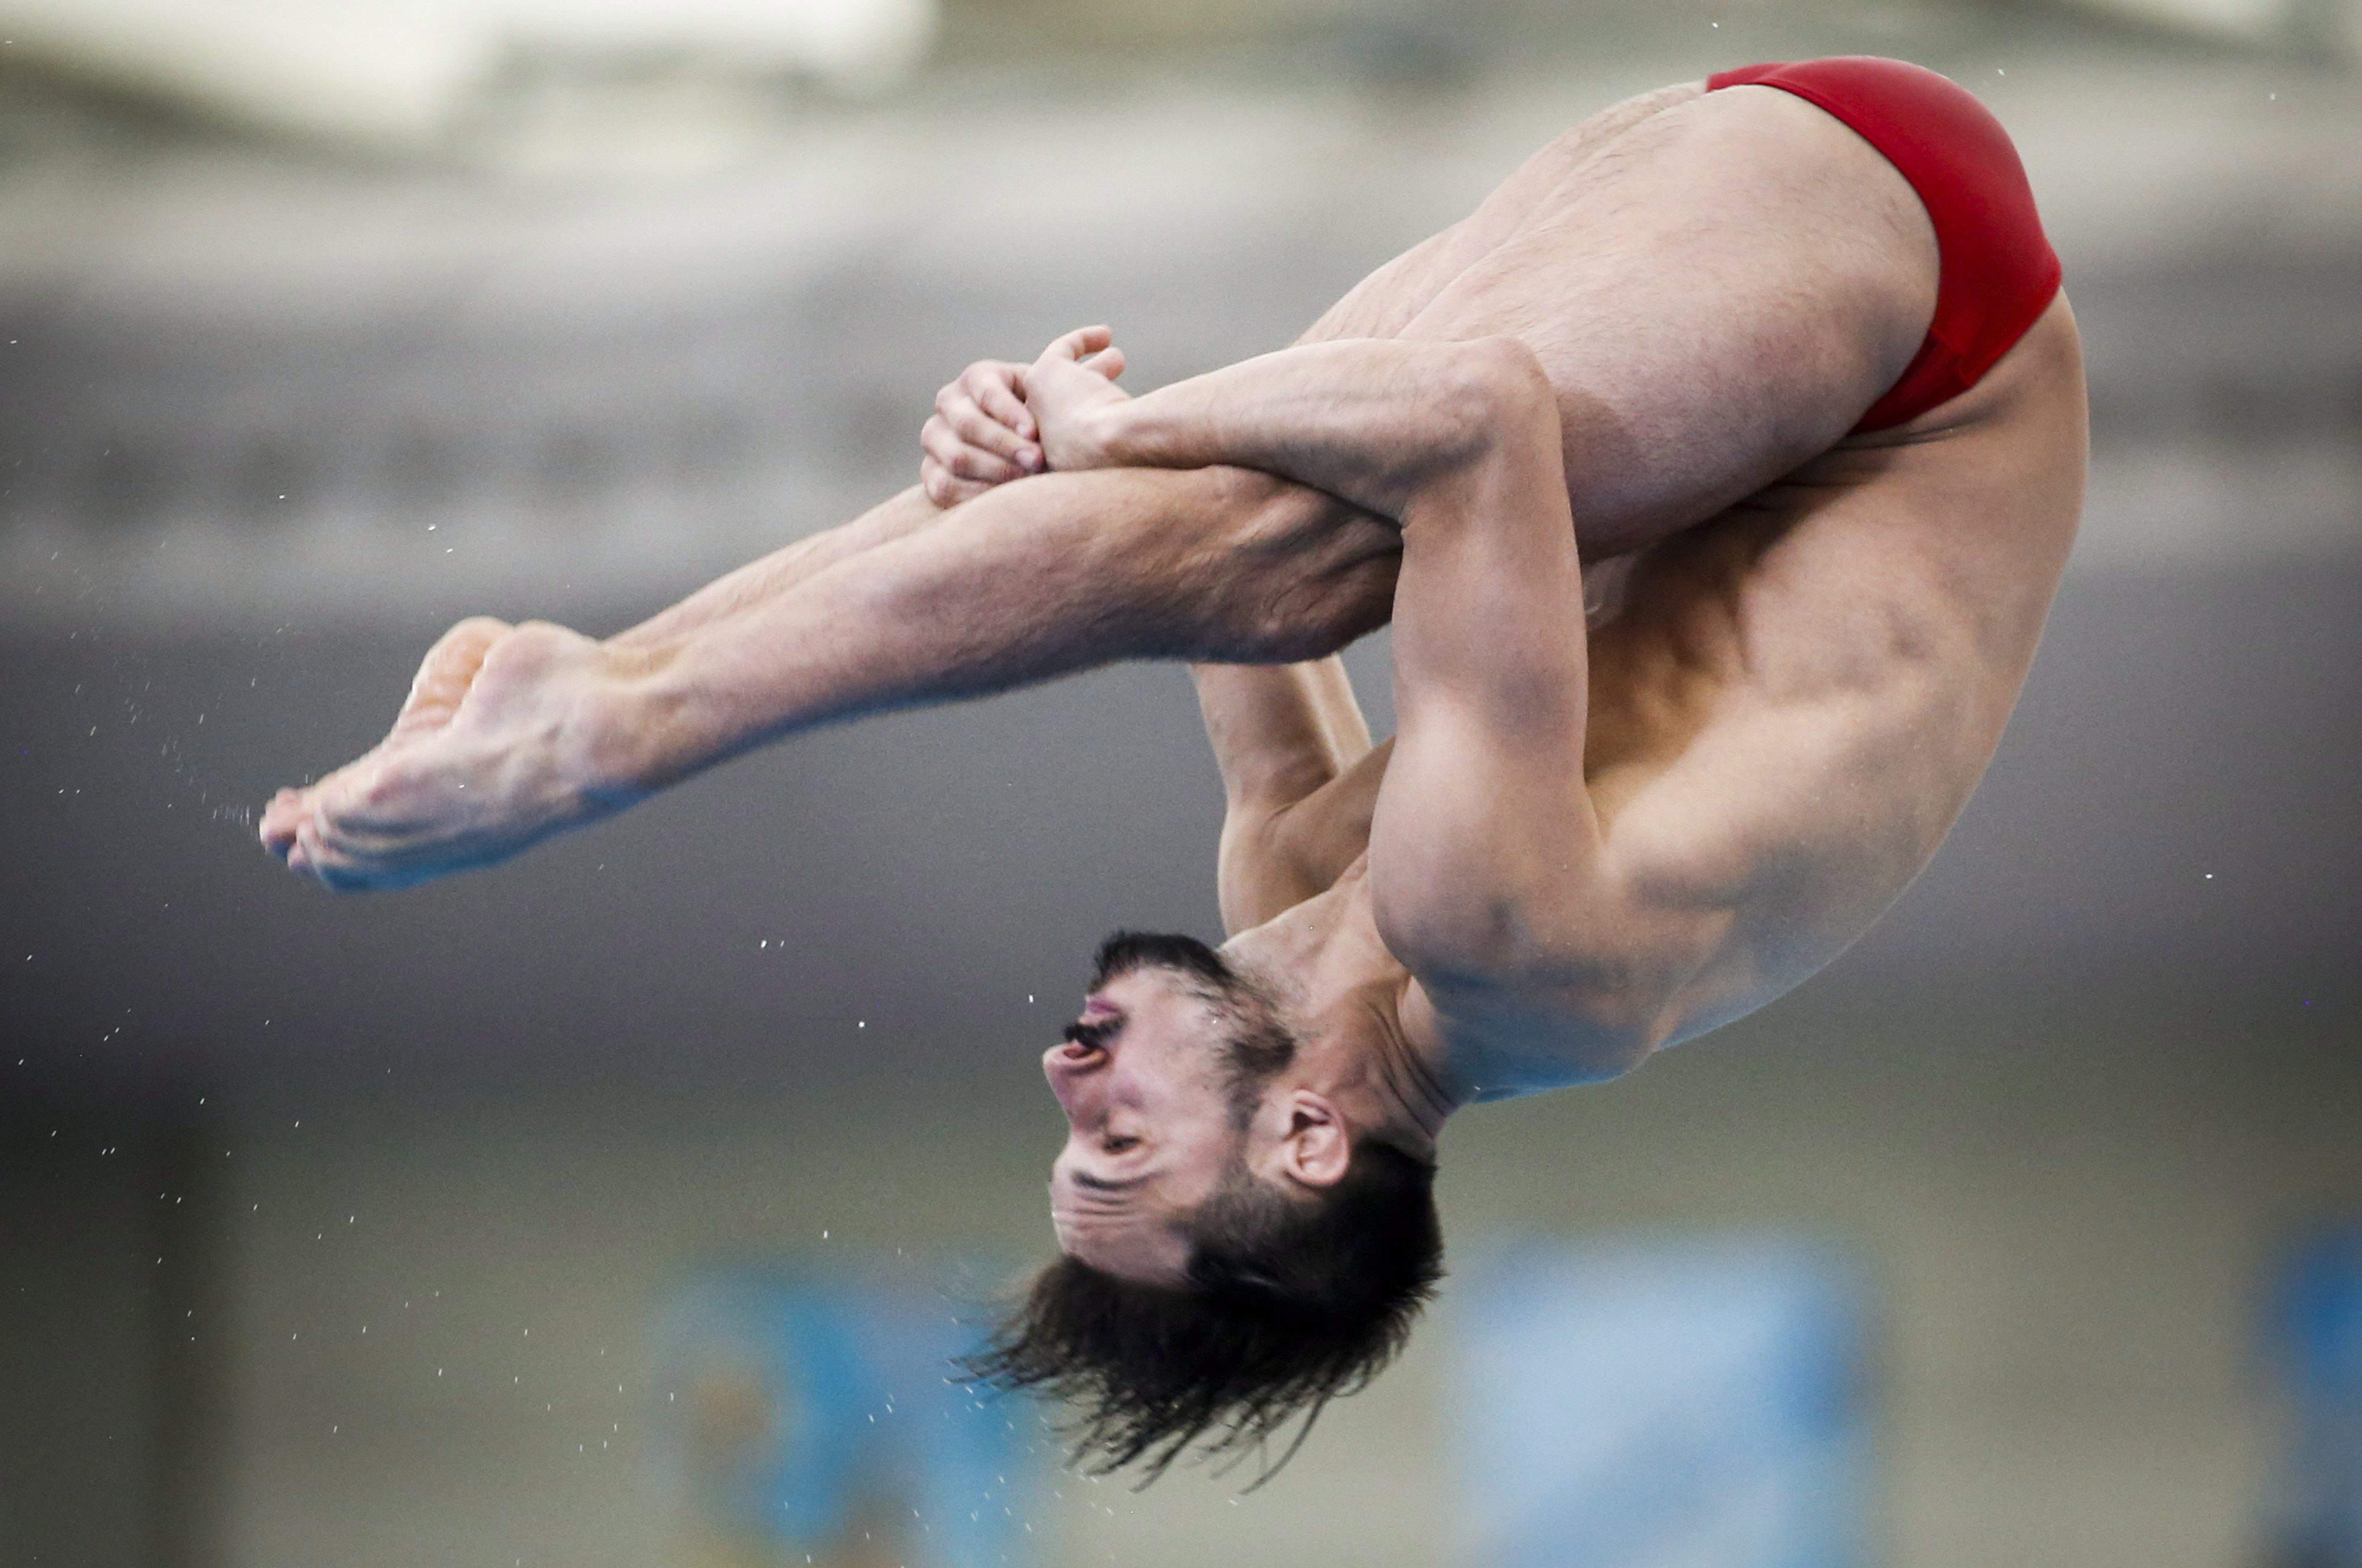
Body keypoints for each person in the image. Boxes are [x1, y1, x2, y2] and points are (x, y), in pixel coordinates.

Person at [260, 58, 2084, 1479]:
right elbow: (1471, 426)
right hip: (1927, 329)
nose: (1067, 1075)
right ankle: (619, 729)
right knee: (1309, 543)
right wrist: (1120, 431)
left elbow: (1157, 543)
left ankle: (610, 674)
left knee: (1240, 531)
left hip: (1739, 250)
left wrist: (1025, 458)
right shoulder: (1509, 946)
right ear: (1307, 1139)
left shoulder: (1295, 894)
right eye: (1120, 1138)